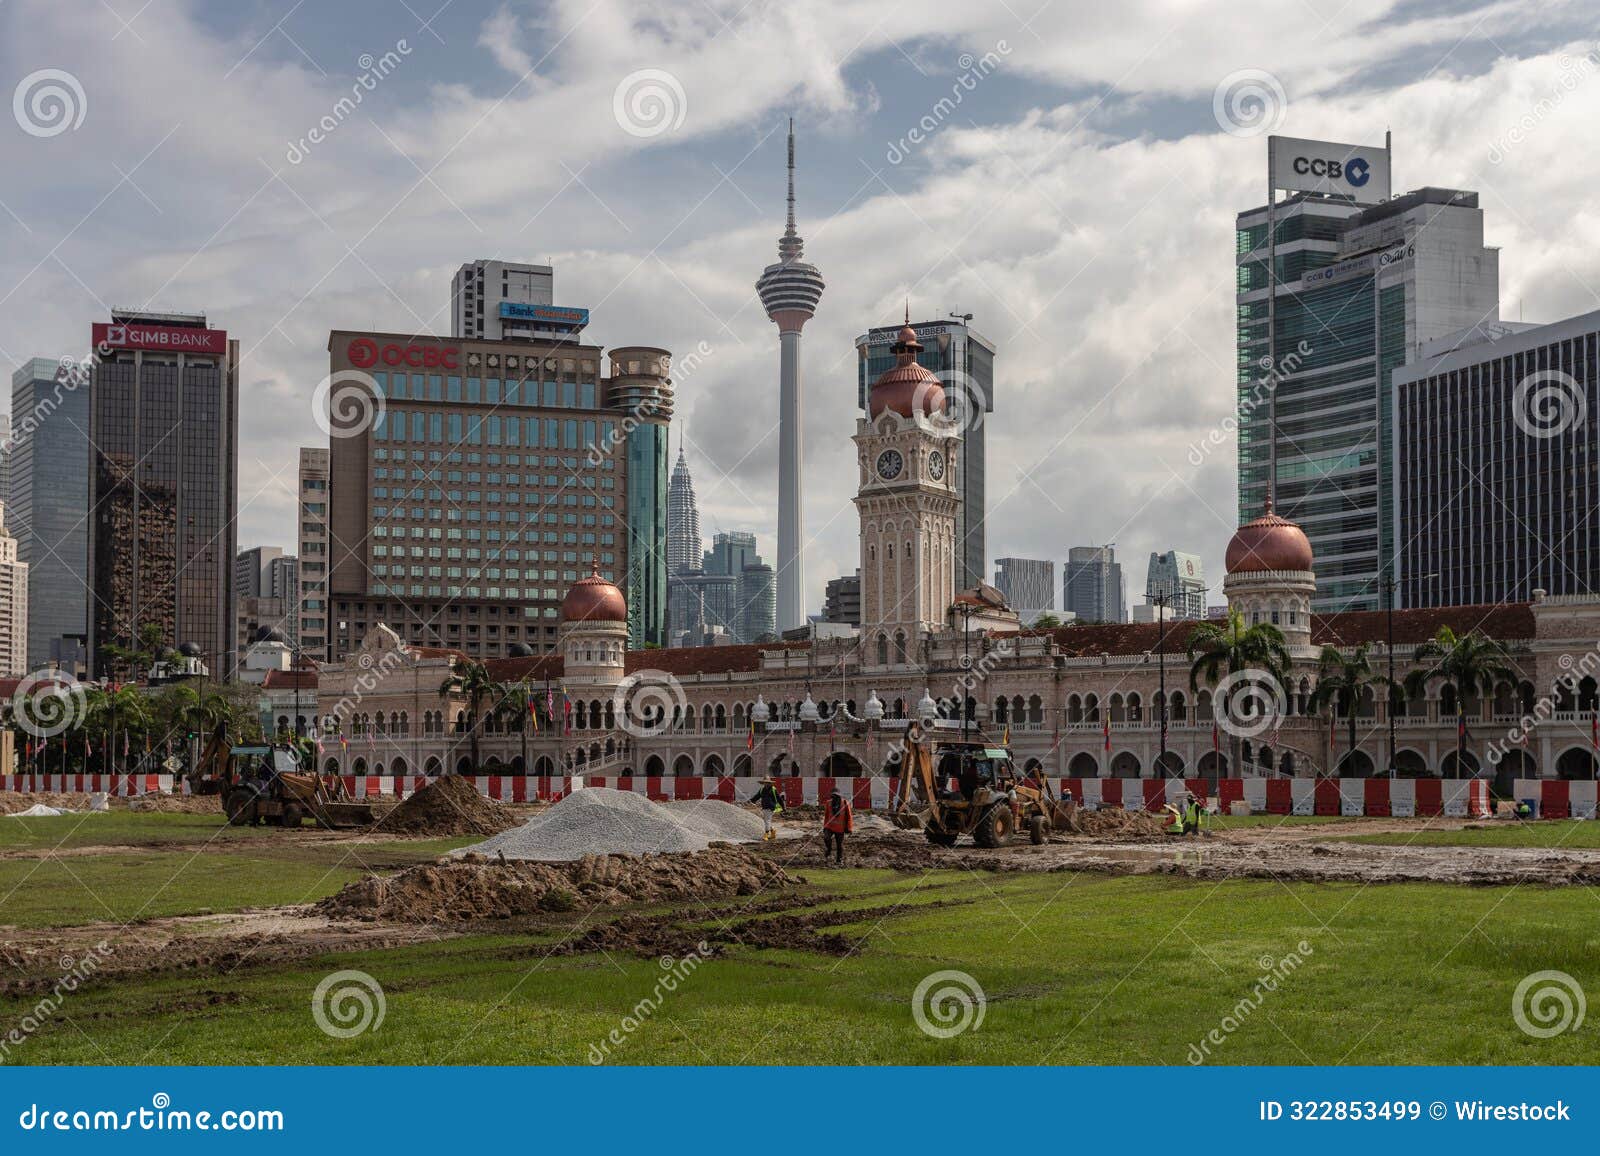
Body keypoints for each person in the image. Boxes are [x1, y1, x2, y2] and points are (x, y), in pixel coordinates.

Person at [822, 787, 854, 865]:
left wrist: (849, 828)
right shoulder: (828, 803)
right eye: (833, 795)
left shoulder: (845, 803)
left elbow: (849, 816)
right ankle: (829, 849)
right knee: (826, 838)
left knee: (839, 845)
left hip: (840, 828)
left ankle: (839, 860)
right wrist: (825, 826)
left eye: (836, 795)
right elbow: (826, 816)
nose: (835, 797)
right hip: (829, 826)